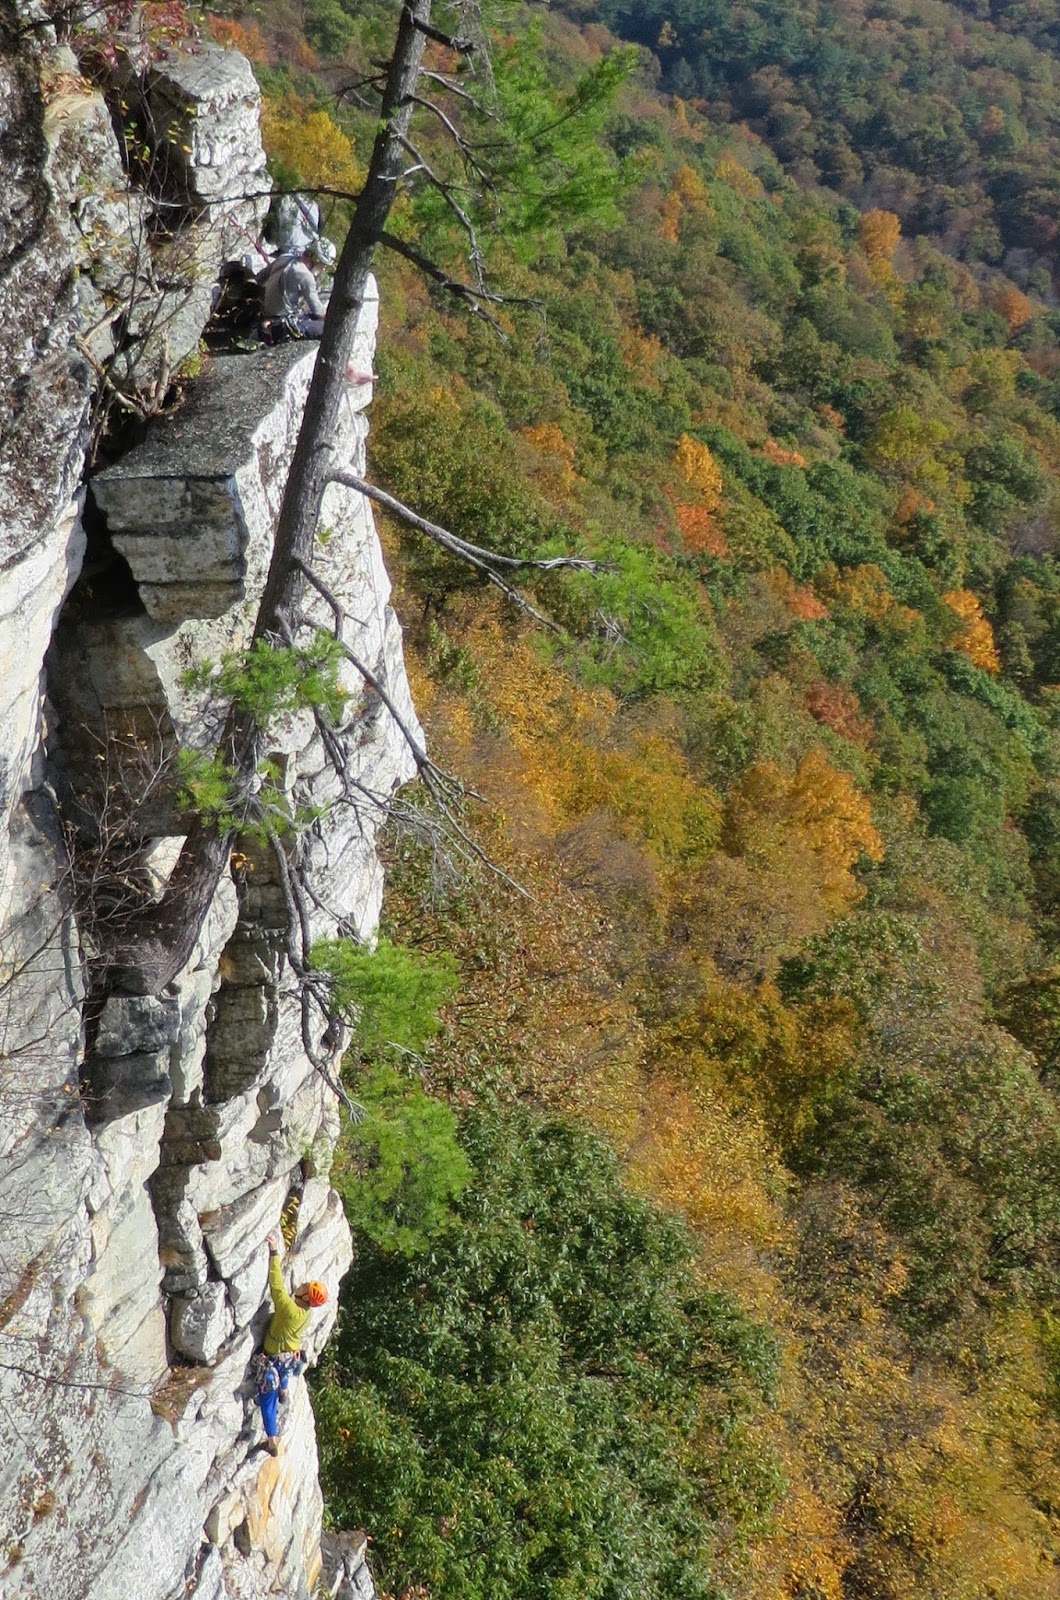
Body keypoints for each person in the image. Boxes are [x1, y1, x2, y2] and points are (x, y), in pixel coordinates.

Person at [251, 1230, 328, 1456]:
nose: (303, 1284)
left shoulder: (290, 1309)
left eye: (307, 1287)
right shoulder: (306, 1313)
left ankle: (272, 1438)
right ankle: (284, 1389)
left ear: (306, 1297)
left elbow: (276, 1286)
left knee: (267, 1398)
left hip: (271, 1357)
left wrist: (274, 1251)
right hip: (287, 1357)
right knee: (284, 1368)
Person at [259, 236, 336, 343]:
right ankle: (274, 329)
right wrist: (333, 318)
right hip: (282, 323)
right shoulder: (306, 276)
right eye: (322, 264)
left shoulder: (285, 257)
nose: (323, 268)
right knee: (327, 328)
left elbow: (261, 277)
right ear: (315, 259)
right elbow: (318, 310)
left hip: (266, 312)